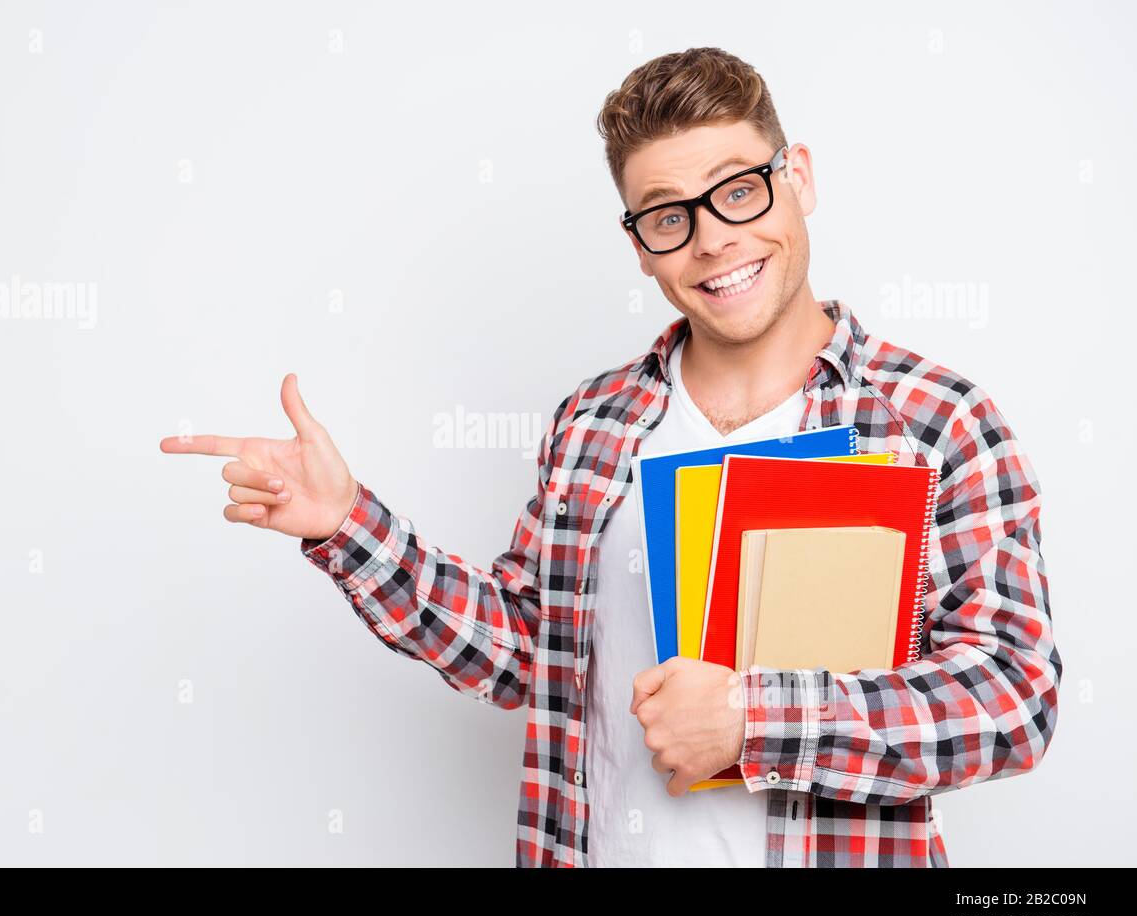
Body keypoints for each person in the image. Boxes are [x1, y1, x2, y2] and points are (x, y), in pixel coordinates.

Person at [160, 47, 1060, 867]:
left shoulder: (934, 422)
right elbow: (526, 651)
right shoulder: (594, 422)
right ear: (638, 245)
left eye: (738, 189)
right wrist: (349, 523)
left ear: (800, 179)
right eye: (669, 216)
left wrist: (759, 719)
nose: (713, 239)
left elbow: (1016, 700)